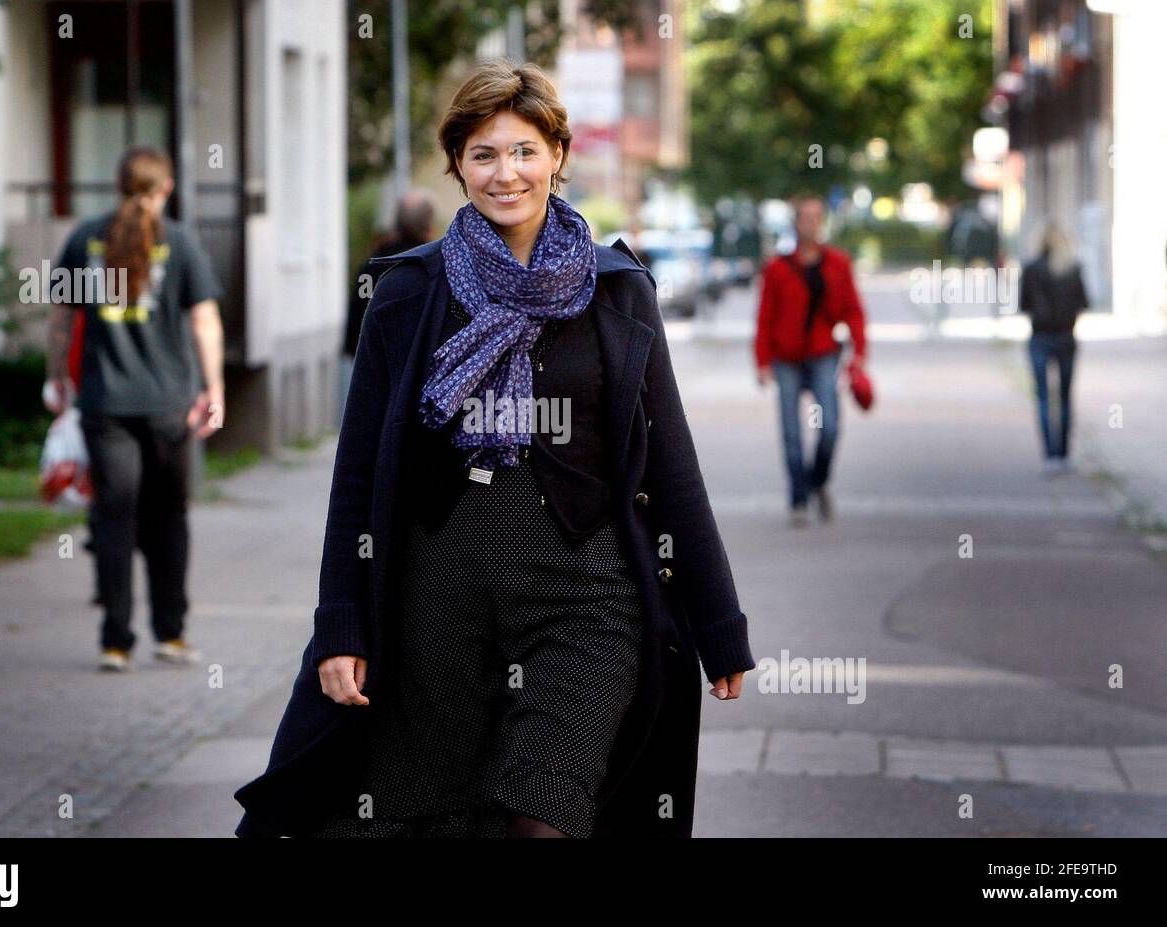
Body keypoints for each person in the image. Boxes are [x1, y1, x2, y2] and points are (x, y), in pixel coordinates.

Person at [235, 60, 756, 838]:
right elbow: (359, 477)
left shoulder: (617, 290)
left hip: (587, 596)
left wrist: (719, 626)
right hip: (438, 600)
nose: (504, 173)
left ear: (556, 156)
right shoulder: (409, 292)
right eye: (482, 154)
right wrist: (342, 622)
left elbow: (671, 461)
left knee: (543, 814)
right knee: (440, 818)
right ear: (456, 166)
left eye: (522, 151)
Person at [45, 146, 225, 672]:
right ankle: (170, 634)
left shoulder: (84, 239)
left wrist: (56, 377)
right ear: (165, 187)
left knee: (114, 518)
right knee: (169, 517)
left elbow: (61, 321)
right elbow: (205, 321)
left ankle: (114, 641)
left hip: (105, 405)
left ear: (119, 185)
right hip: (170, 406)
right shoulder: (181, 242)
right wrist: (213, 387)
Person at [754, 194, 868, 526]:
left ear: (822, 222)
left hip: (823, 354)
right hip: (785, 358)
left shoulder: (838, 264)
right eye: (804, 216)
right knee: (791, 434)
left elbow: (854, 313)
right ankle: (798, 498)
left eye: (816, 216)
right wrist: (762, 361)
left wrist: (859, 354)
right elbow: (764, 317)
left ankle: (817, 481)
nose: (810, 222)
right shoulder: (777, 268)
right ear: (795, 222)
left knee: (829, 426)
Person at [339, 192, 435, 424]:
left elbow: (356, 314)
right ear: (429, 226)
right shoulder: (436, 266)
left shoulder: (374, 264)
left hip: (372, 365)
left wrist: (352, 350)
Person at [1017, 223, 1088, 475]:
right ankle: (1065, 454)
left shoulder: (1031, 269)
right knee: (1066, 398)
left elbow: (1023, 304)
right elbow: (1084, 302)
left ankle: (1050, 456)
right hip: (1067, 337)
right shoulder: (1073, 268)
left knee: (1044, 399)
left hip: (1040, 337)